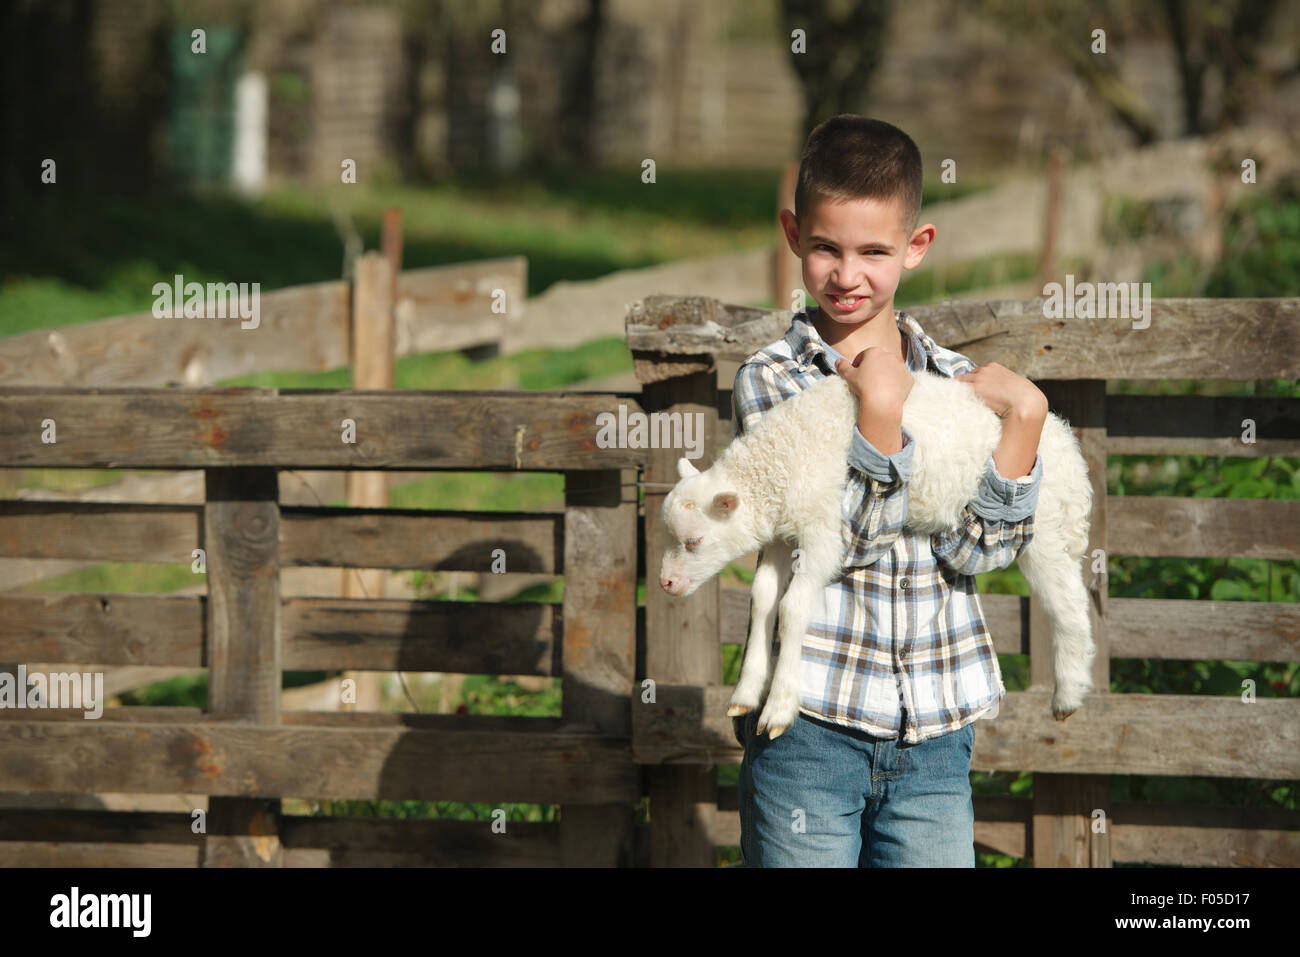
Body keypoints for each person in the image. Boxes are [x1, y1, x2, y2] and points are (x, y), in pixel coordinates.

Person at [732, 114, 1048, 867]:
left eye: (874, 251)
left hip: (935, 736)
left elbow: (978, 552)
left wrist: (1025, 423)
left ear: (916, 246)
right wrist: (878, 412)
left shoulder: (949, 381)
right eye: (826, 248)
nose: (848, 275)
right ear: (792, 234)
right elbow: (834, 542)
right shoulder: (774, 380)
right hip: (808, 726)